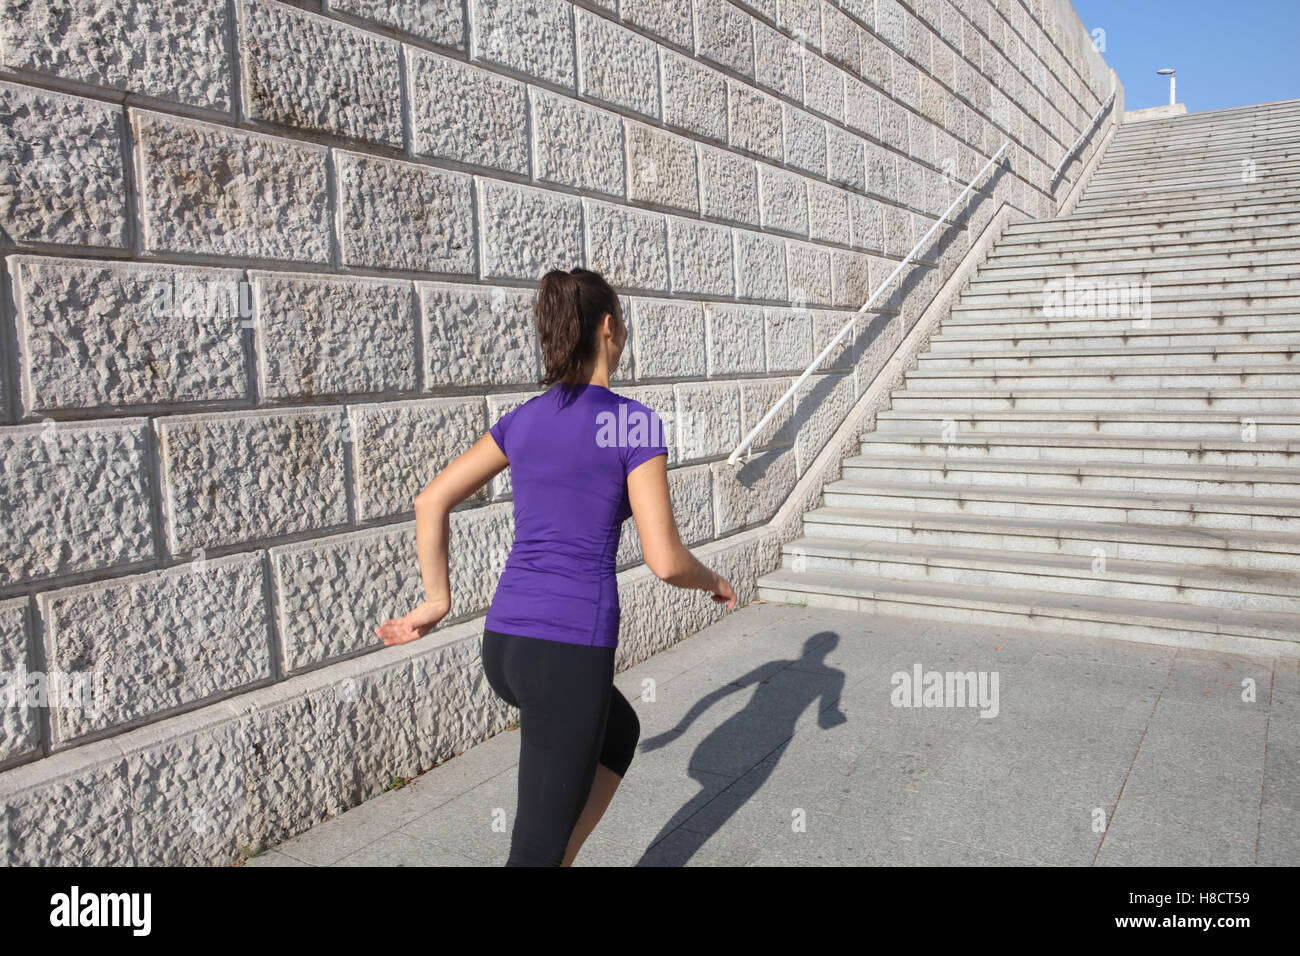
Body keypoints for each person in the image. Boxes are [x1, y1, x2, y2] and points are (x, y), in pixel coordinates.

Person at [375, 266, 738, 866]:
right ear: (608, 327)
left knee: (617, 734)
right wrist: (715, 580)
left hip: (506, 647)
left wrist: (438, 601)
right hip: (566, 651)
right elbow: (666, 560)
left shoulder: (524, 418)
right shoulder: (630, 422)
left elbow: (430, 500)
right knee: (531, 851)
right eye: (623, 324)